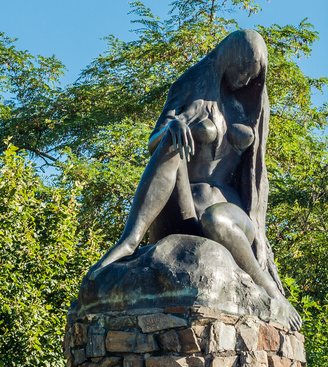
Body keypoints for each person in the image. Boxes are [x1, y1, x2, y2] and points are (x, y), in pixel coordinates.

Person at [87, 29, 299, 328]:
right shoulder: (191, 84)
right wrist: (171, 128)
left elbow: (257, 176)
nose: (246, 80)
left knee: (215, 218)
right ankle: (128, 241)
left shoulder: (252, 103)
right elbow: (154, 143)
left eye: (253, 75)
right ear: (228, 58)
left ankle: (267, 288)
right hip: (184, 208)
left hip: (229, 214)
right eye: (242, 70)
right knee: (172, 136)